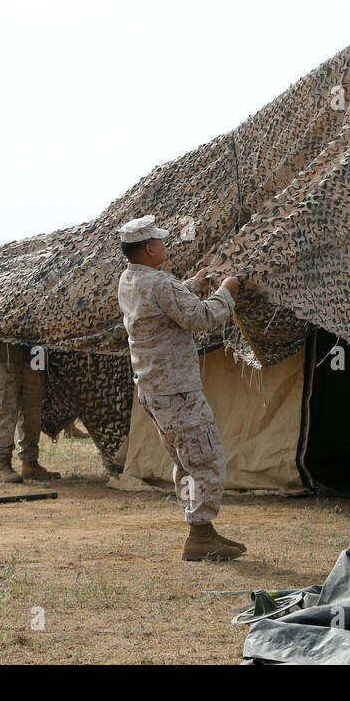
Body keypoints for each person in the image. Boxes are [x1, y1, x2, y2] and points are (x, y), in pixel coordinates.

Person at [116, 214, 245, 561]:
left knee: (185, 460)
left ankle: (200, 529)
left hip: (154, 389)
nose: (164, 245)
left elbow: (164, 304)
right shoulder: (160, 284)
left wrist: (195, 283)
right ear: (150, 248)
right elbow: (201, 318)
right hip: (177, 390)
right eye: (160, 241)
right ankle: (200, 536)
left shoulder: (129, 280)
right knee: (205, 458)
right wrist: (226, 293)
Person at [0, 338, 58, 483]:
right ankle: (3, 465)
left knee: (33, 409)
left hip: (34, 351)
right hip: (5, 354)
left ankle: (30, 463)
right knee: (5, 409)